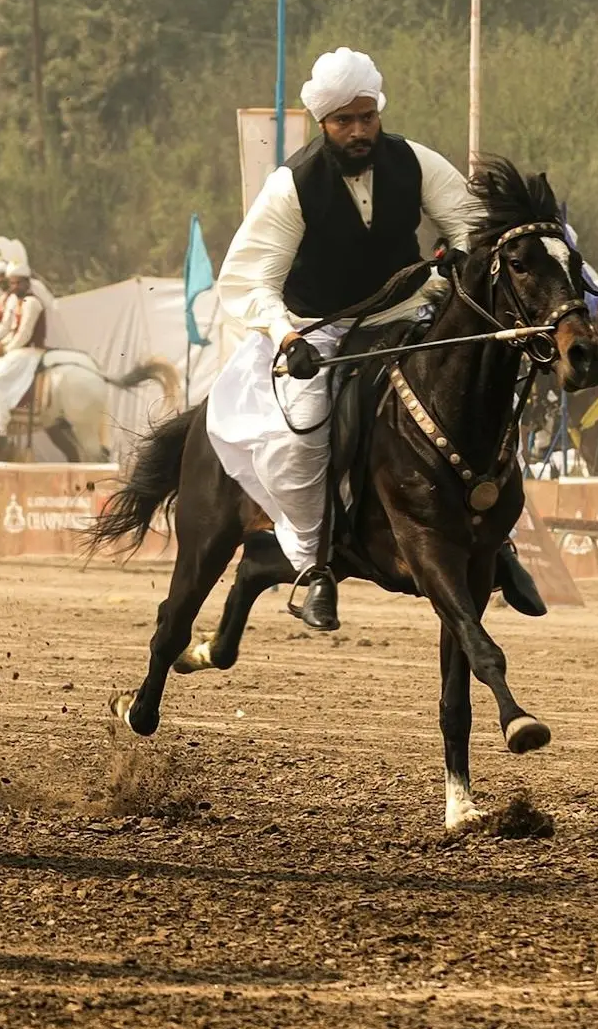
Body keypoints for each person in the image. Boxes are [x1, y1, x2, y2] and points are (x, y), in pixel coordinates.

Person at [207, 46, 497, 631]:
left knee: (484, 388)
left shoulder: (415, 161)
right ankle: (314, 569)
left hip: (410, 315)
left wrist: (461, 259)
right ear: (323, 123)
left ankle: (498, 542)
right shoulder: (293, 184)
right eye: (345, 121)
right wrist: (287, 337)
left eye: (367, 117)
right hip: (324, 330)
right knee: (302, 438)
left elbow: (468, 221)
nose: (359, 130)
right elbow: (249, 276)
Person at [0, 250, 48, 439]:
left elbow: (24, 335)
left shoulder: (32, 302)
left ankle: (0, 429)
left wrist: (4, 349)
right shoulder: (12, 300)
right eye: (12, 282)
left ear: (27, 282)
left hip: (29, 352)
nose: (15, 286)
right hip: (14, 349)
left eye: (19, 282)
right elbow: (4, 327)